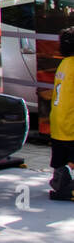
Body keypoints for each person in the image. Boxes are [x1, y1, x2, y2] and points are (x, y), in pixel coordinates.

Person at [48, 27, 74, 200]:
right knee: (70, 160)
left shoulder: (64, 64)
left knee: (61, 157)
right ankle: (66, 179)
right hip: (71, 123)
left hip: (58, 122)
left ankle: (60, 181)